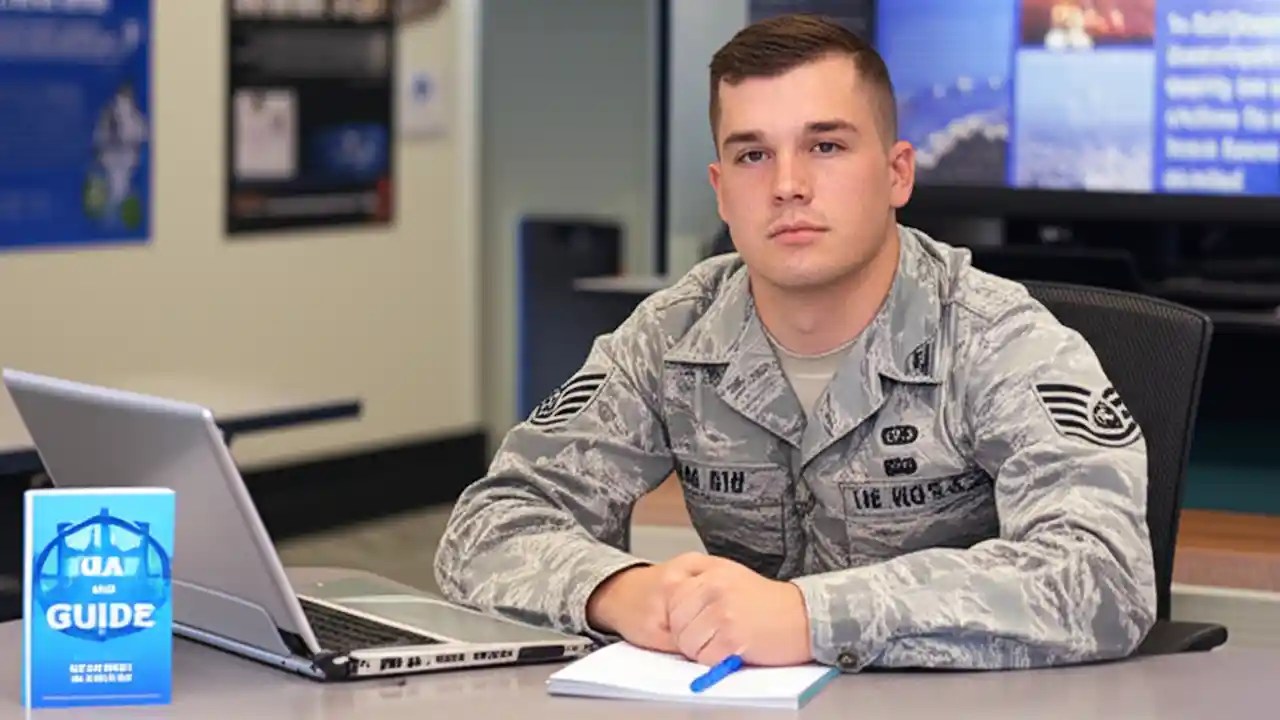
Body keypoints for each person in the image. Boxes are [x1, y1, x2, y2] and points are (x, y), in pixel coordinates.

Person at [434, 13, 1156, 673]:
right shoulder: (672, 336)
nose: (788, 185)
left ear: (897, 173)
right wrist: (621, 591)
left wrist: (810, 617)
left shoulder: (996, 340)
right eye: (752, 156)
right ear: (721, 191)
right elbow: (488, 526)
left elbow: (1102, 574)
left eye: (826, 145)